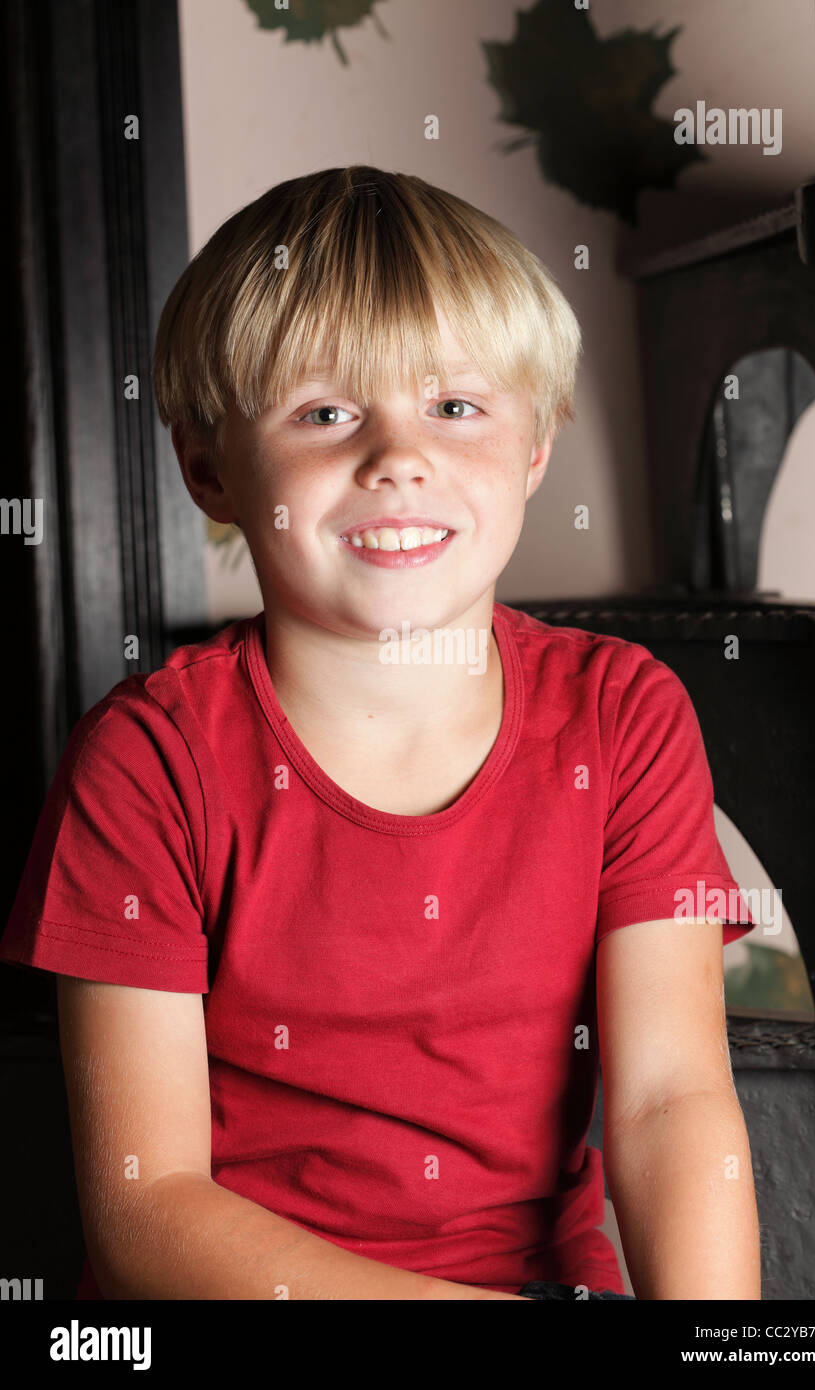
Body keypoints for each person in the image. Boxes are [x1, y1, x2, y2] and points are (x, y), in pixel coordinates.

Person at [0, 166, 761, 1301]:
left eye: (455, 407)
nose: (397, 455)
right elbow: (146, 1208)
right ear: (209, 466)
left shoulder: (623, 713)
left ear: (534, 450)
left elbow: (668, 1099)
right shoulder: (150, 759)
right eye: (325, 412)